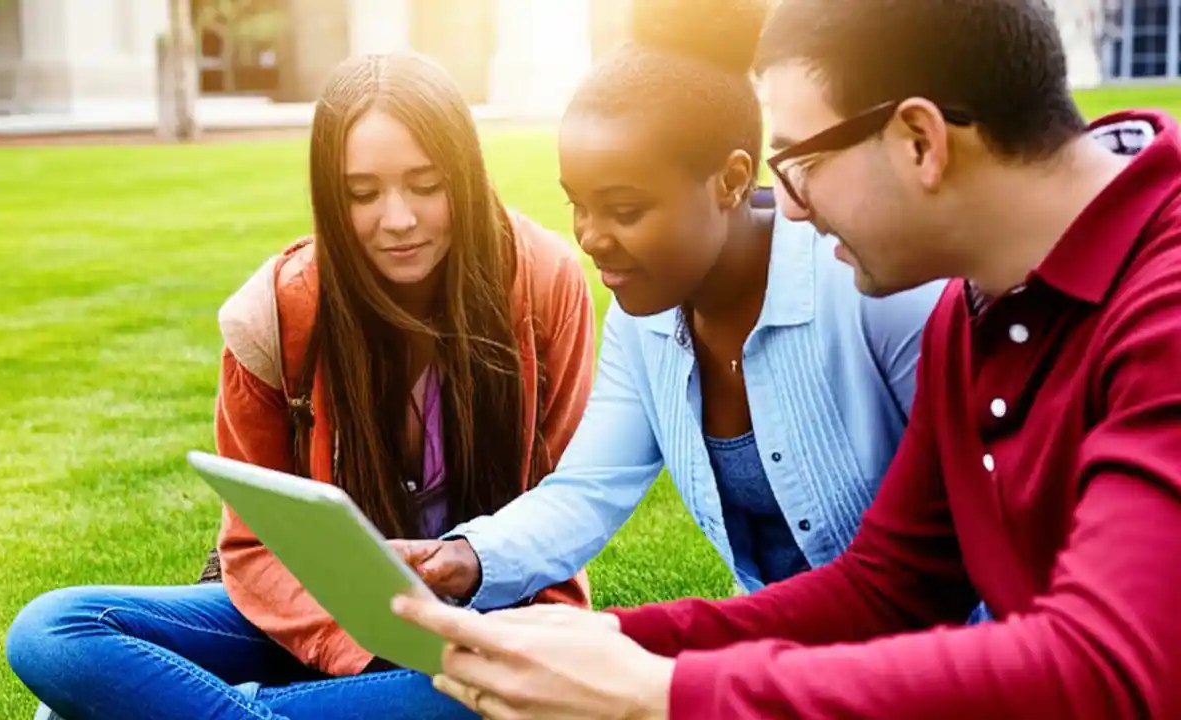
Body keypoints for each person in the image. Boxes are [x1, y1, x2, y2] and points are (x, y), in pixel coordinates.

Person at [394, 0, 1181, 718]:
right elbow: (888, 588)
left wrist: (666, 694)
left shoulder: (1162, 307)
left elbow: (1106, 668)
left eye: (800, 163)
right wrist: (613, 641)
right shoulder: (969, 311)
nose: (791, 205)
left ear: (921, 141)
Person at [3, 52, 596, 720]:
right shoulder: (278, 312)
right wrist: (366, 647)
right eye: (362, 194)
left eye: (425, 185)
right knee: (53, 631)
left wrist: (505, 626)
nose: (397, 219)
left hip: (483, 626)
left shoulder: (543, 284)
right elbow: (253, 546)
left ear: (463, 173)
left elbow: (563, 501)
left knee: (512, 698)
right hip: (309, 616)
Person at [391, 0, 944, 614]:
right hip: (769, 655)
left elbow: (958, 540)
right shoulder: (641, 321)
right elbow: (587, 490)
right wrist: (465, 557)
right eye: (579, 204)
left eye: (625, 210)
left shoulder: (863, 284)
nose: (590, 236)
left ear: (731, 181)